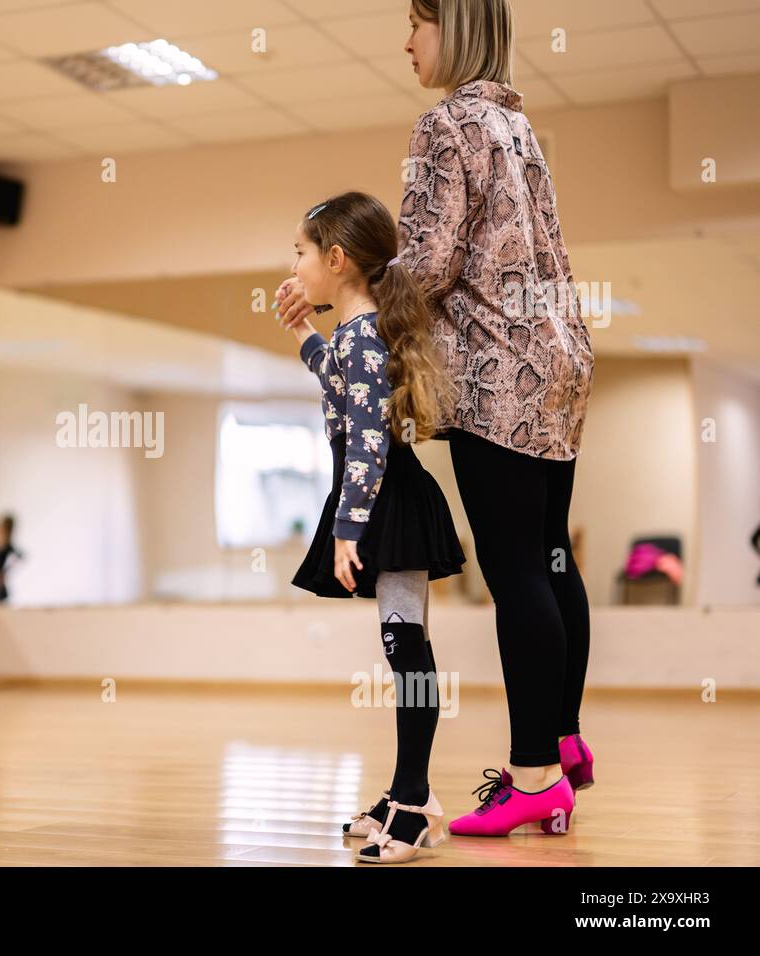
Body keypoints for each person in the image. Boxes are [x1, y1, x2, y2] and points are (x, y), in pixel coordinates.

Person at [279, 0, 595, 837]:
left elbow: (429, 257)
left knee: (516, 568)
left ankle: (530, 777)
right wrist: (324, 327)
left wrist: (355, 299)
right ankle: (559, 742)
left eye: (416, 24)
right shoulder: (518, 127)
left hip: (502, 374)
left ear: (449, 28)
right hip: (562, 363)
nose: (407, 42)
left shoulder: (447, 121)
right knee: (552, 555)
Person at [280, 191, 465, 863]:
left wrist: (347, 528)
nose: (294, 266)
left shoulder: (364, 334)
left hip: (386, 499)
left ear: (336, 259)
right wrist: (302, 333)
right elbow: (344, 389)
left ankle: (414, 801)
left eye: (300, 253)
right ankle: (404, 789)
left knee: (405, 648)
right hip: (386, 497)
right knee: (402, 646)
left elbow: (368, 443)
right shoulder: (358, 332)